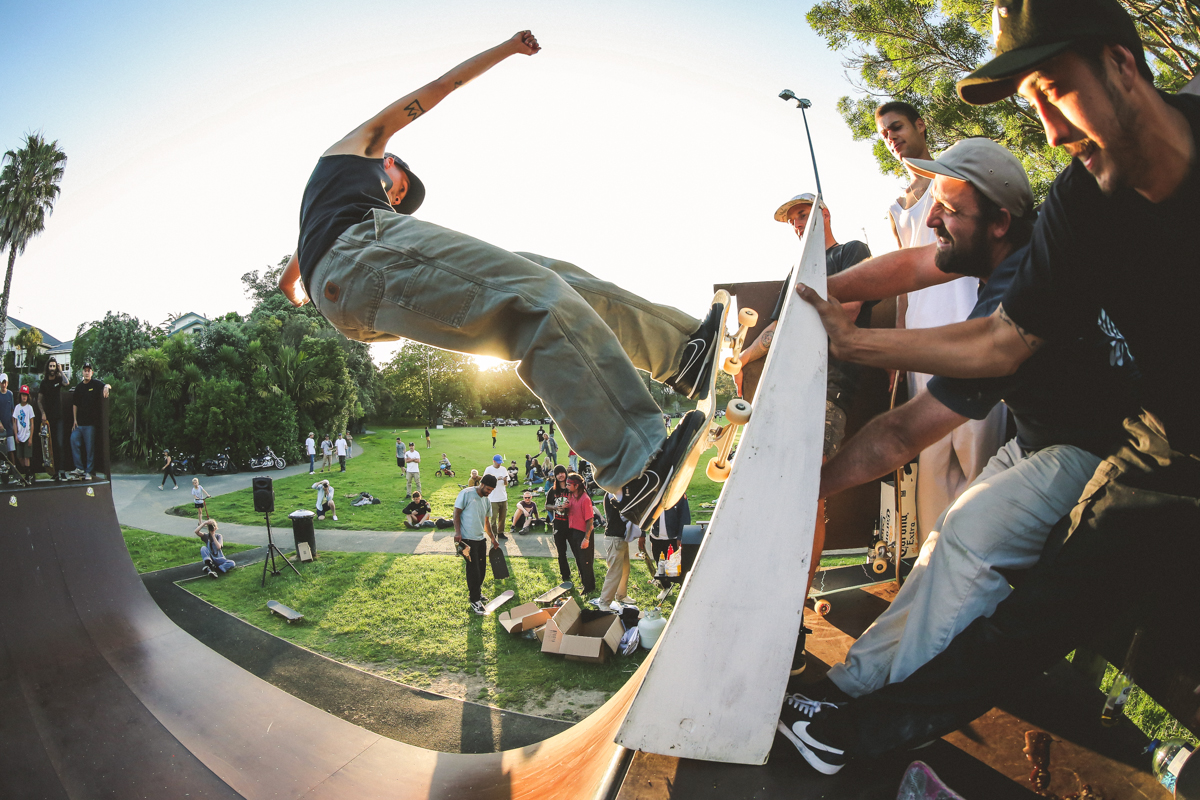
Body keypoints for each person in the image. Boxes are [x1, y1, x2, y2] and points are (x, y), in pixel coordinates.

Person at [787, 0, 1200, 771]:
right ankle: (854, 706)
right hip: (1111, 441)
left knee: (975, 546)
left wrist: (853, 340)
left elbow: (923, 412)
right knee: (975, 556)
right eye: (1030, 106)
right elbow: (937, 288)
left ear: (1121, 62)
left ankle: (854, 705)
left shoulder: (1030, 254)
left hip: (1093, 440)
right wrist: (824, 311)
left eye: (1054, 89)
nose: (1047, 129)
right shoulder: (1073, 210)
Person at [278, 30, 724, 530]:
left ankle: (686, 354)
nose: (395, 198)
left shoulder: (320, 213)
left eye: (397, 198)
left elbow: (288, 277)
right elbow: (442, 84)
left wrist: (302, 293)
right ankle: (636, 467)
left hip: (353, 293)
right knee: (536, 301)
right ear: (388, 162)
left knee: (552, 277)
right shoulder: (359, 149)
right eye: (396, 189)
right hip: (363, 259)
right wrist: (509, 48)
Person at [809, 138, 1137, 696]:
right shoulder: (1005, 247)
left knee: (968, 538)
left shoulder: (1021, 294)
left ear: (999, 222)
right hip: (1038, 437)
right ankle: (857, 680)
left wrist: (814, 485)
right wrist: (819, 293)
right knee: (941, 538)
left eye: (950, 211)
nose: (932, 218)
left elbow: (901, 433)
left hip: (1093, 449)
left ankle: (891, 707)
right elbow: (910, 265)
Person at [874, 102, 1009, 546]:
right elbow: (902, 285)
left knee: (978, 456)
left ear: (919, 125)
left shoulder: (955, 183)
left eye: (897, 127)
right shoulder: (896, 208)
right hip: (921, 345)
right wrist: (896, 348)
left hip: (972, 331)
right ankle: (934, 565)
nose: (891, 137)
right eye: (884, 133)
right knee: (930, 464)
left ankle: (983, 556)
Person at [454, 473, 499, 614]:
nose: (489, 492)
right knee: (473, 570)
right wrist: (457, 533)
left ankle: (477, 592)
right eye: (488, 489)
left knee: (482, 568)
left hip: (480, 539)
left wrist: (492, 538)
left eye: (492, 490)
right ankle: (474, 600)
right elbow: (456, 513)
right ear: (482, 484)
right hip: (467, 539)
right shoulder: (466, 493)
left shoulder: (486, 500)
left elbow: (486, 522)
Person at [595, 492, 638, 610]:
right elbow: (625, 510)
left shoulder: (617, 493)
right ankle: (604, 602)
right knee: (614, 572)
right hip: (614, 539)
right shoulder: (612, 495)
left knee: (625, 569)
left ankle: (621, 595)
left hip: (620, 538)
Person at [70, 362, 110, 480]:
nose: (87, 372)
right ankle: (79, 468)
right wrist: (75, 420)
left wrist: (107, 387)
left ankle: (89, 471)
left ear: (92, 372)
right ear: (82, 372)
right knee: (73, 439)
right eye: (85, 370)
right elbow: (75, 404)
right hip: (79, 424)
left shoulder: (96, 384)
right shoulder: (79, 387)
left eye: (89, 370)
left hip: (90, 425)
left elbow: (107, 385)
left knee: (89, 448)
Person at [641, 494, 689, 582]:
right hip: (656, 537)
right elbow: (643, 514)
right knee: (660, 565)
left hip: (673, 537)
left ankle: (681, 584)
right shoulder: (653, 493)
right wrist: (642, 534)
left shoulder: (679, 493)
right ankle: (665, 587)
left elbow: (685, 517)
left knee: (678, 565)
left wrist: (680, 536)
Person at [36, 357, 69, 481]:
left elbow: (67, 383)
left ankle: (62, 471)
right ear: (47, 368)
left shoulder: (59, 378)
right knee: (50, 446)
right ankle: (53, 472)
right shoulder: (44, 383)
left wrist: (61, 371)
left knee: (60, 444)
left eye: (54, 366)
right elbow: (39, 400)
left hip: (59, 417)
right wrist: (43, 413)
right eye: (50, 366)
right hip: (48, 420)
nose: (52, 369)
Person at [563, 472, 596, 593]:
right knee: (579, 560)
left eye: (569, 484)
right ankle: (584, 583)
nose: (566, 486)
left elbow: (590, 520)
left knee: (585, 561)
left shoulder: (585, 499)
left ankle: (589, 587)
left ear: (576, 486)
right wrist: (565, 507)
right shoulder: (571, 496)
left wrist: (586, 538)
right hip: (574, 532)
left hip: (584, 533)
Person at [483, 454, 511, 541]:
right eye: (498, 463)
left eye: (500, 463)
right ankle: (494, 534)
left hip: (503, 496)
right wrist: (496, 479)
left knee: (502, 517)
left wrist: (505, 480)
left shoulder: (503, 469)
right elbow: (485, 482)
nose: (499, 464)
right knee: (493, 518)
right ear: (493, 461)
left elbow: (506, 484)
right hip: (493, 498)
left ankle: (501, 532)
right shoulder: (489, 469)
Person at [12, 386, 36, 483]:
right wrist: (16, 435)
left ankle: (27, 476)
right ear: (20, 396)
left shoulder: (29, 408)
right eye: (23, 395)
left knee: (27, 456)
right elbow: (14, 422)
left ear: (28, 396)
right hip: (19, 435)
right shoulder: (17, 407)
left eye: (26, 395)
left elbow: (32, 423)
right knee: (19, 456)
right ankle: (27, 472)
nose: (24, 397)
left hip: (27, 435)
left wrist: (30, 437)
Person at [0, 374, 14, 472]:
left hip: (9, 428)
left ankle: (14, 470)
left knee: (11, 450)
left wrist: (14, 425)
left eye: (5, 382)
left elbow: (13, 410)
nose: (3, 384)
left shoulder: (10, 394)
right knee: (2, 452)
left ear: (7, 383)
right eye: (2, 382)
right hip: (1, 429)